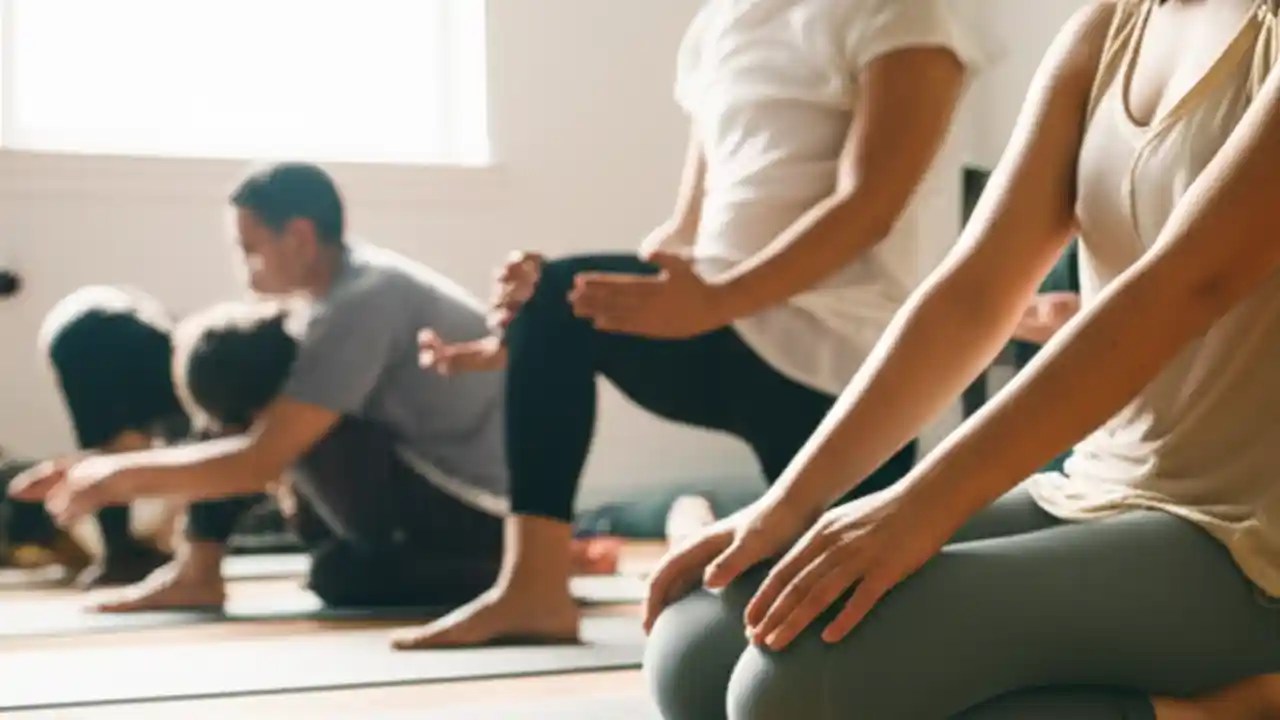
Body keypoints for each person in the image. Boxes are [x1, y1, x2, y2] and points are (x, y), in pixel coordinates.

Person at [643, 0, 1280, 718]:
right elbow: (975, 291)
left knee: (797, 687)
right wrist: (790, 503)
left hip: (1248, 546)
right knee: (697, 646)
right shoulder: (1109, 27)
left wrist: (920, 506)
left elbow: (1180, 290)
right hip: (1095, 493)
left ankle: (1225, 712)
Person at [399, 0, 982, 648]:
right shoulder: (719, 24)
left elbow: (869, 206)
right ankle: (533, 590)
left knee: (857, 622)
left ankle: (693, 518)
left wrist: (719, 298)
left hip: (846, 366)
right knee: (555, 295)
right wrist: (535, 338)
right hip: (730, 329)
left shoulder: (902, 16)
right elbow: (685, 230)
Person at [10, 162, 506, 613]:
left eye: (251, 249)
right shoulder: (341, 293)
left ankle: (202, 569)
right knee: (244, 363)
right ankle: (198, 570)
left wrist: (112, 477)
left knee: (249, 381)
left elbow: (261, 458)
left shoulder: (361, 304)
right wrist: (92, 469)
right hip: (431, 494)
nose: (245, 268)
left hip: (478, 519)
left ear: (299, 237)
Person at [6, 286, 184, 588]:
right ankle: (131, 553)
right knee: (168, 450)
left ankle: (123, 553)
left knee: (112, 450)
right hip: (107, 333)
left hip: (78, 335)